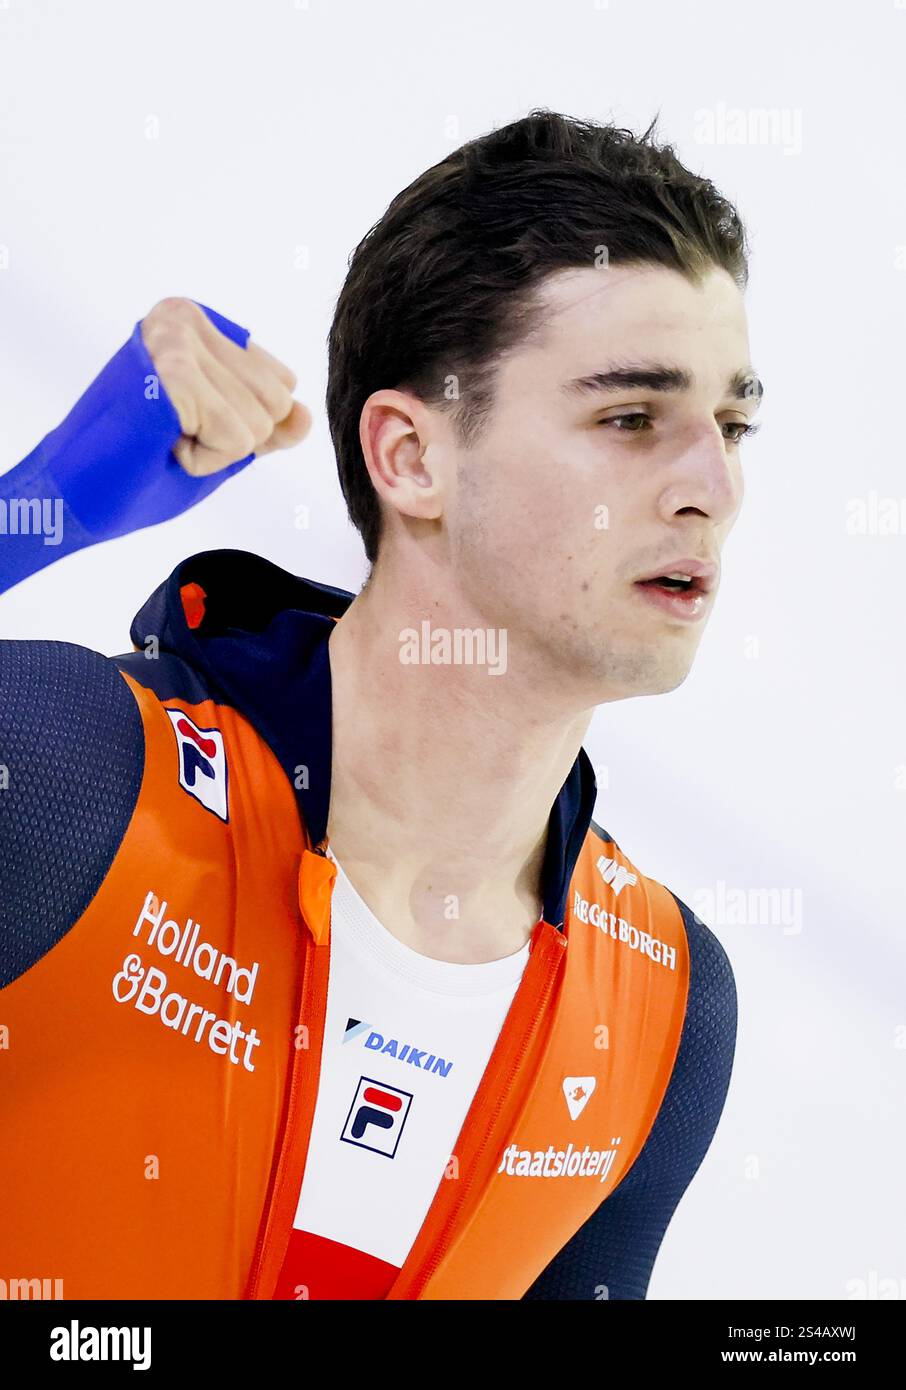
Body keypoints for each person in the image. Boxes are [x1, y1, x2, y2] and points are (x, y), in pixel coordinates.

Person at [0, 108, 756, 1300]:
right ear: (410, 458)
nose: (714, 484)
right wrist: (36, 505)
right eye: (628, 418)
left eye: (733, 425)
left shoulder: (663, 1008)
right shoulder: (67, 780)